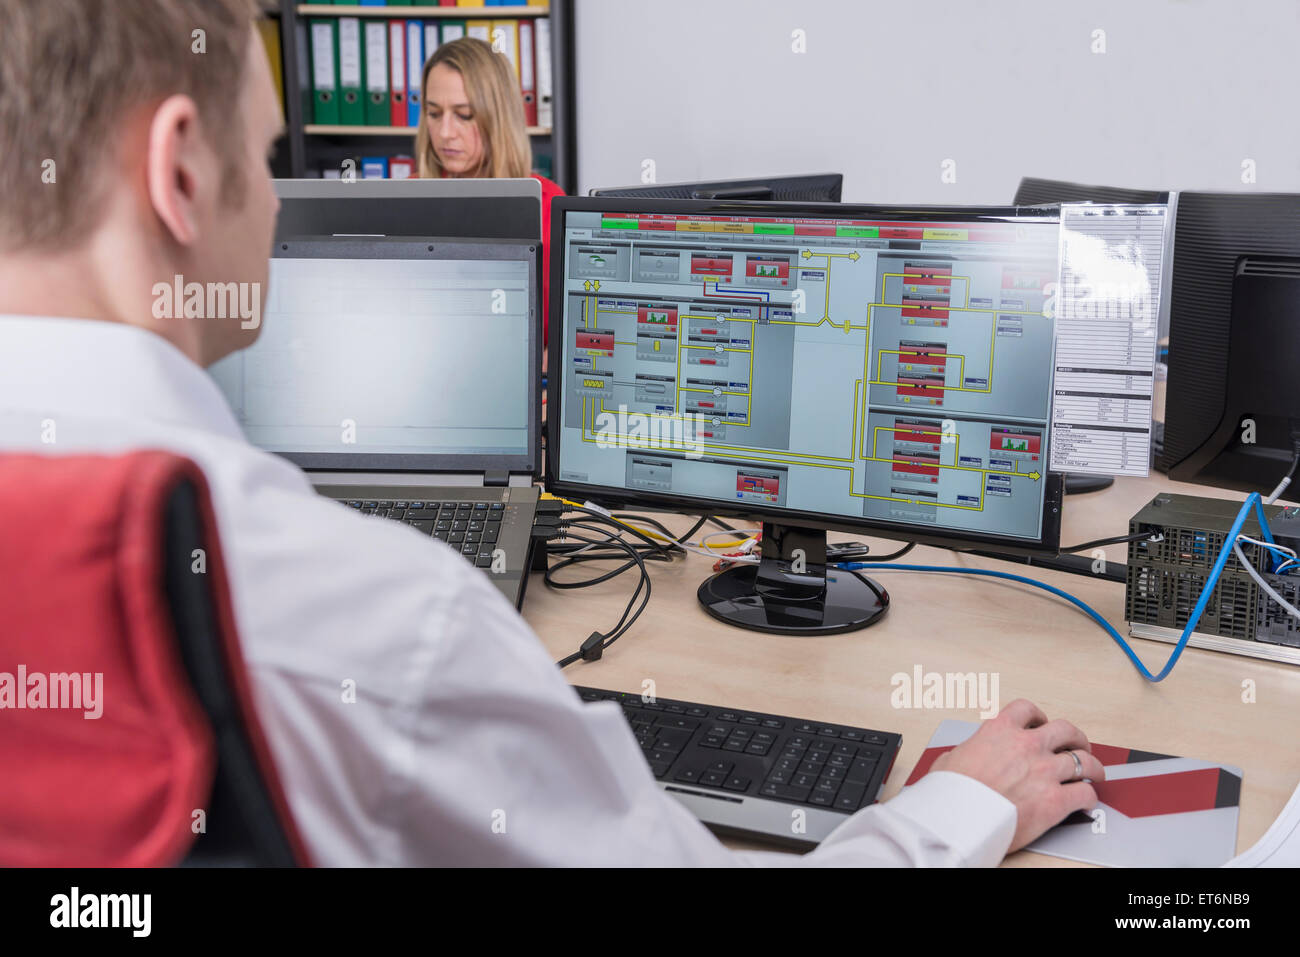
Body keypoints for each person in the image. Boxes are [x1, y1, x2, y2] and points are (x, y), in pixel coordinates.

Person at [0, 0, 1103, 866]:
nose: (282, 208)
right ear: (182, 172)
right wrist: (959, 808)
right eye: (266, 157)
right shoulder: (383, 616)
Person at [416, 36, 564, 345]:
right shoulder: (406, 199)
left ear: (498, 117)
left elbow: (562, 340)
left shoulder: (548, 206)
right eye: (433, 113)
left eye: (464, 115)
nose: (444, 133)